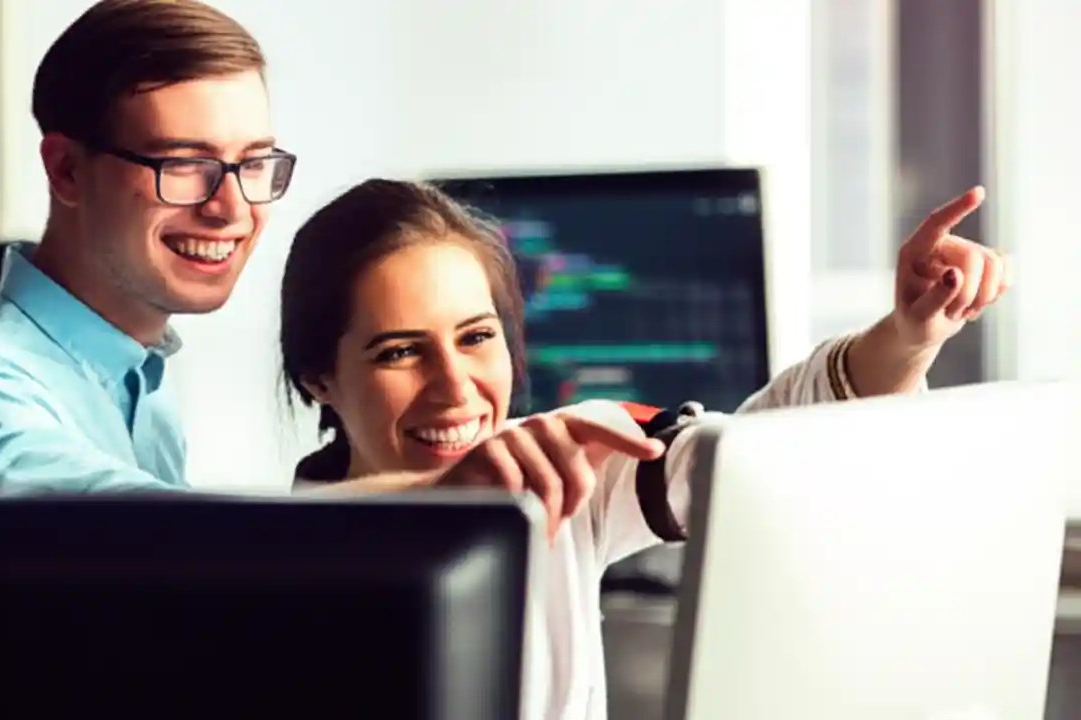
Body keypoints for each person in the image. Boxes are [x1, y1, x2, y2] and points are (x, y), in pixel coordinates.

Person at [0, 0, 655, 499]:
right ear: (67, 169)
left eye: (251, 164)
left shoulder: (139, 378)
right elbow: (114, 536)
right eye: (184, 165)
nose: (231, 207)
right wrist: (441, 495)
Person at [278, 178, 1008, 719]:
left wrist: (909, 336)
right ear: (319, 377)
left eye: (477, 337)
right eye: (400, 352)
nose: (455, 388)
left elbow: (751, 453)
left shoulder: (557, 479)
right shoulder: (278, 572)